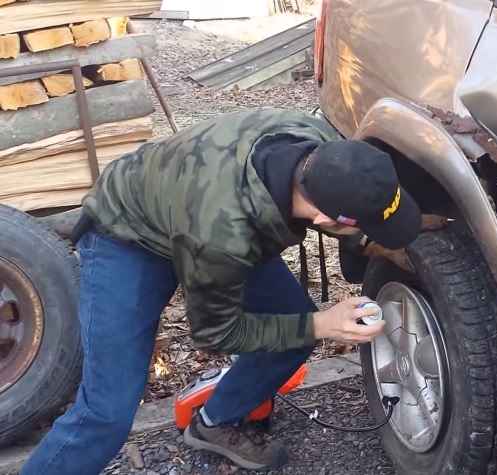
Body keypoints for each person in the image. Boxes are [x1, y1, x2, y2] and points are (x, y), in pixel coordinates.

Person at [20, 108, 423, 475]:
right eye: (363, 227)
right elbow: (216, 334)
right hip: (129, 234)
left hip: (194, 211)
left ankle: (214, 422)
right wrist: (321, 323)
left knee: (291, 328)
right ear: (324, 219)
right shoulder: (222, 237)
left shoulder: (317, 144)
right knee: (107, 412)